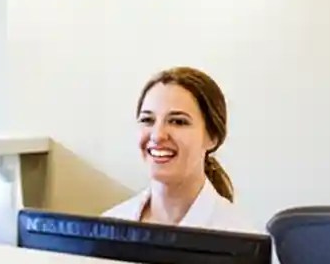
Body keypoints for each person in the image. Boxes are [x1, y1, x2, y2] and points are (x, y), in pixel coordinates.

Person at [104, 66, 260, 233]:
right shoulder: (108, 227)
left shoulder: (238, 237)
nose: (157, 135)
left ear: (213, 137)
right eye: (148, 120)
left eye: (178, 122)